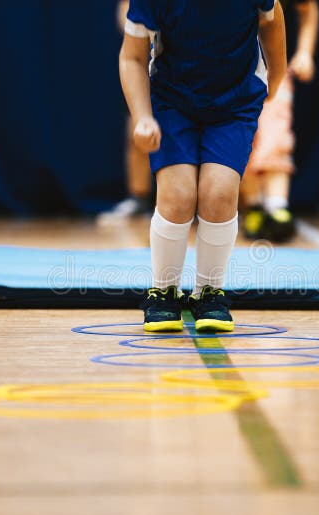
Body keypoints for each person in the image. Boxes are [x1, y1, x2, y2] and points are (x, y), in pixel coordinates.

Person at [119, 0, 287, 332]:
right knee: (178, 196)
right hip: (172, 101)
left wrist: (276, 79)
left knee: (220, 193)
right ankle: (163, 291)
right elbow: (132, 57)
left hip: (235, 103)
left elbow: (273, 22)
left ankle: (208, 293)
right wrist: (142, 117)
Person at [241, 0, 319, 243]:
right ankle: (254, 205)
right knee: (240, 139)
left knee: (276, 136)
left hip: (274, 69)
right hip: (230, 71)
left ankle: (277, 206)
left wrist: (305, 52)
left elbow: (308, 10)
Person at [97, 1, 155, 226]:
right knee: (137, 131)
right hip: (146, 60)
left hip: (189, 65)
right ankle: (138, 198)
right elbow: (126, 14)